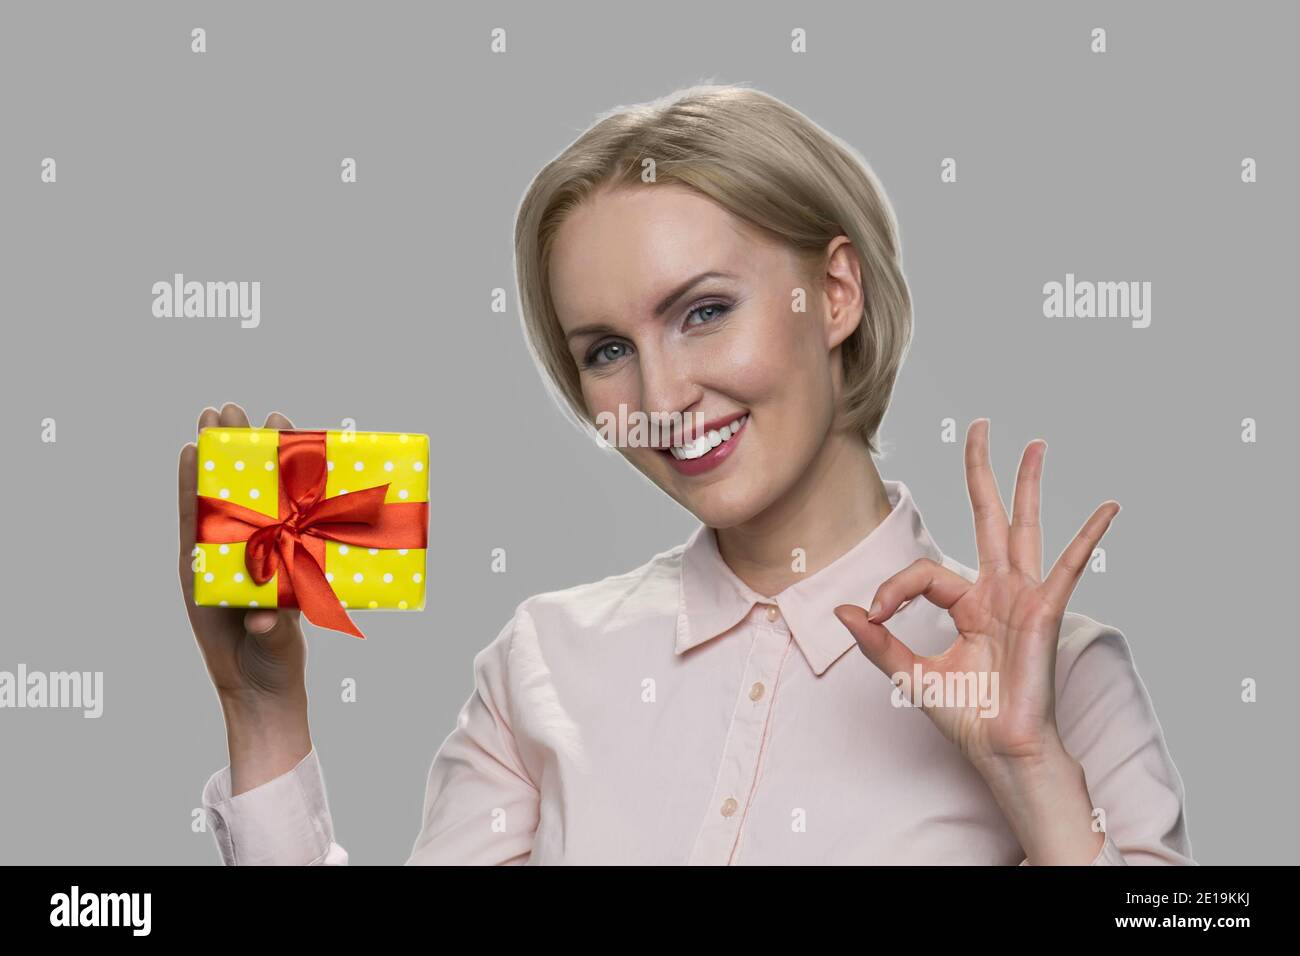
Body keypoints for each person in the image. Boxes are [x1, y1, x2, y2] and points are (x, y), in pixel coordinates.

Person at [178, 84, 1192, 865]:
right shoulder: (542, 659)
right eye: (606, 349)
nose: (661, 390)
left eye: (703, 310)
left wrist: (1031, 774)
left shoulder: (1060, 678)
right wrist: (265, 712)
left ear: (833, 293)